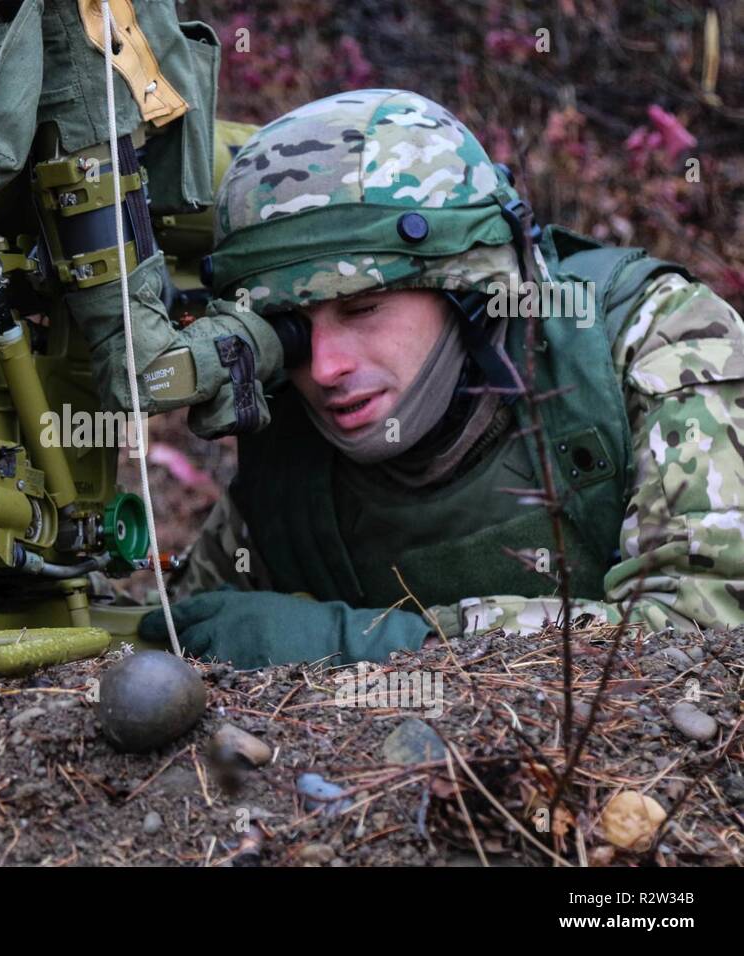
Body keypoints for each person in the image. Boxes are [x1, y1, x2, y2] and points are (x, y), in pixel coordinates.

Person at [69, 89, 744, 669]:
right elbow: (186, 624)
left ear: (466, 290)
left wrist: (373, 643)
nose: (326, 367)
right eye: (291, 329)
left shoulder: (653, 342)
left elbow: (700, 637)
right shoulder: (291, 450)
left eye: (363, 309)